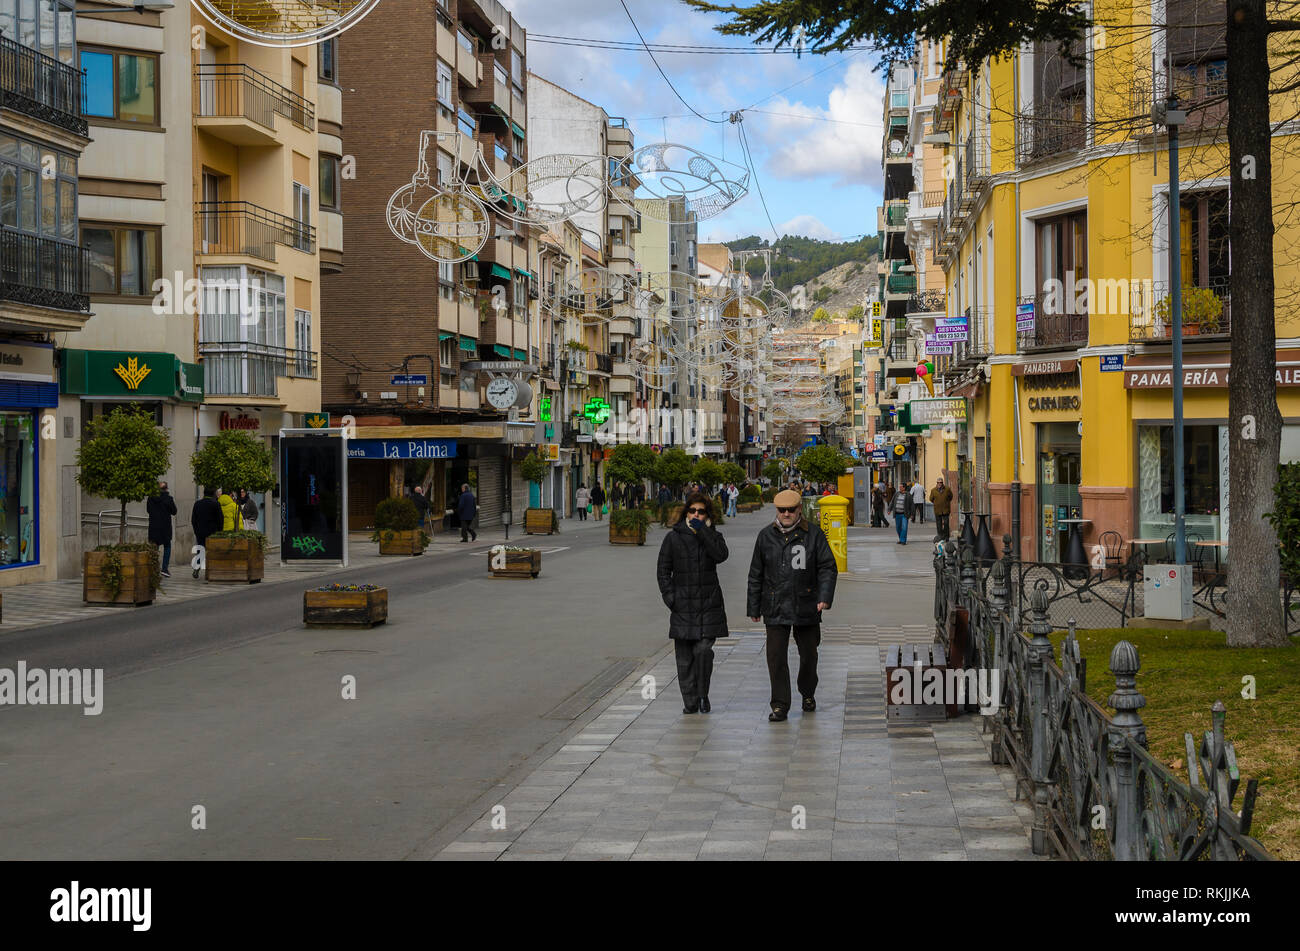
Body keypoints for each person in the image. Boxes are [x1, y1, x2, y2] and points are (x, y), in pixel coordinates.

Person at [747, 489, 837, 722]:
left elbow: (827, 567)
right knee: (776, 657)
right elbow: (756, 574)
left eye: (791, 510)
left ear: (800, 510)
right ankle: (780, 705)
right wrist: (753, 607)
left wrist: (824, 596)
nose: (786, 514)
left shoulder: (814, 534)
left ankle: (807, 692)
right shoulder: (765, 536)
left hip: (806, 603)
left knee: (809, 654)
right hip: (775, 604)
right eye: (781, 510)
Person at [657, 492, 730, 715]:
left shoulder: (713, 535)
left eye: (701, 511)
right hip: (683, 607)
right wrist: (671, 598)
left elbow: (721, 555)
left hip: (709, 606)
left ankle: (702, 693)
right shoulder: (673, 537)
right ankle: (690, 701)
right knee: (684, 660)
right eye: (692, 511)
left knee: (703, 651)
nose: (696, 515)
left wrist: (703, 531)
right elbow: (663, 571)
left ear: (707, 514)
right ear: (685, 512)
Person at [190, 487, 223, 578]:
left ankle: (196, 568)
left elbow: (193, 519)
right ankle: (209, 572)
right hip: (212, 532)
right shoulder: (216, 504)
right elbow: (220, 519)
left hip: (200, 531)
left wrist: (196, 530)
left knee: (200, 550)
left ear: (204, 493)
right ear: (213, 494)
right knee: (212, 551)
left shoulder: (197, 504)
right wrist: (220, 531)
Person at [146, 480, 177, 578]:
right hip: (165, 528)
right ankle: (164, 569)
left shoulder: (151, 498)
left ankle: (153, 569)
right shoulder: (168, 499)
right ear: (166, 489)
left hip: (154, 527)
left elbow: (148, 510)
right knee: (167, 546)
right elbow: (174, 511)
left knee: (154, 547)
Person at [892, 478, 910, 544]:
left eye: (901, 487)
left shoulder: (908, 495)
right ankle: (901, 538)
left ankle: (903, 541)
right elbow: (892, 502)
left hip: (904, 514)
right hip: (897, 514)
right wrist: (889, 509)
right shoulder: (896, 494)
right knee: (898, 528)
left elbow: (912, 504)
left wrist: (912, 514)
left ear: (904, 488)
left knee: (904, 528)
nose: (899, 488)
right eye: (899, 486)